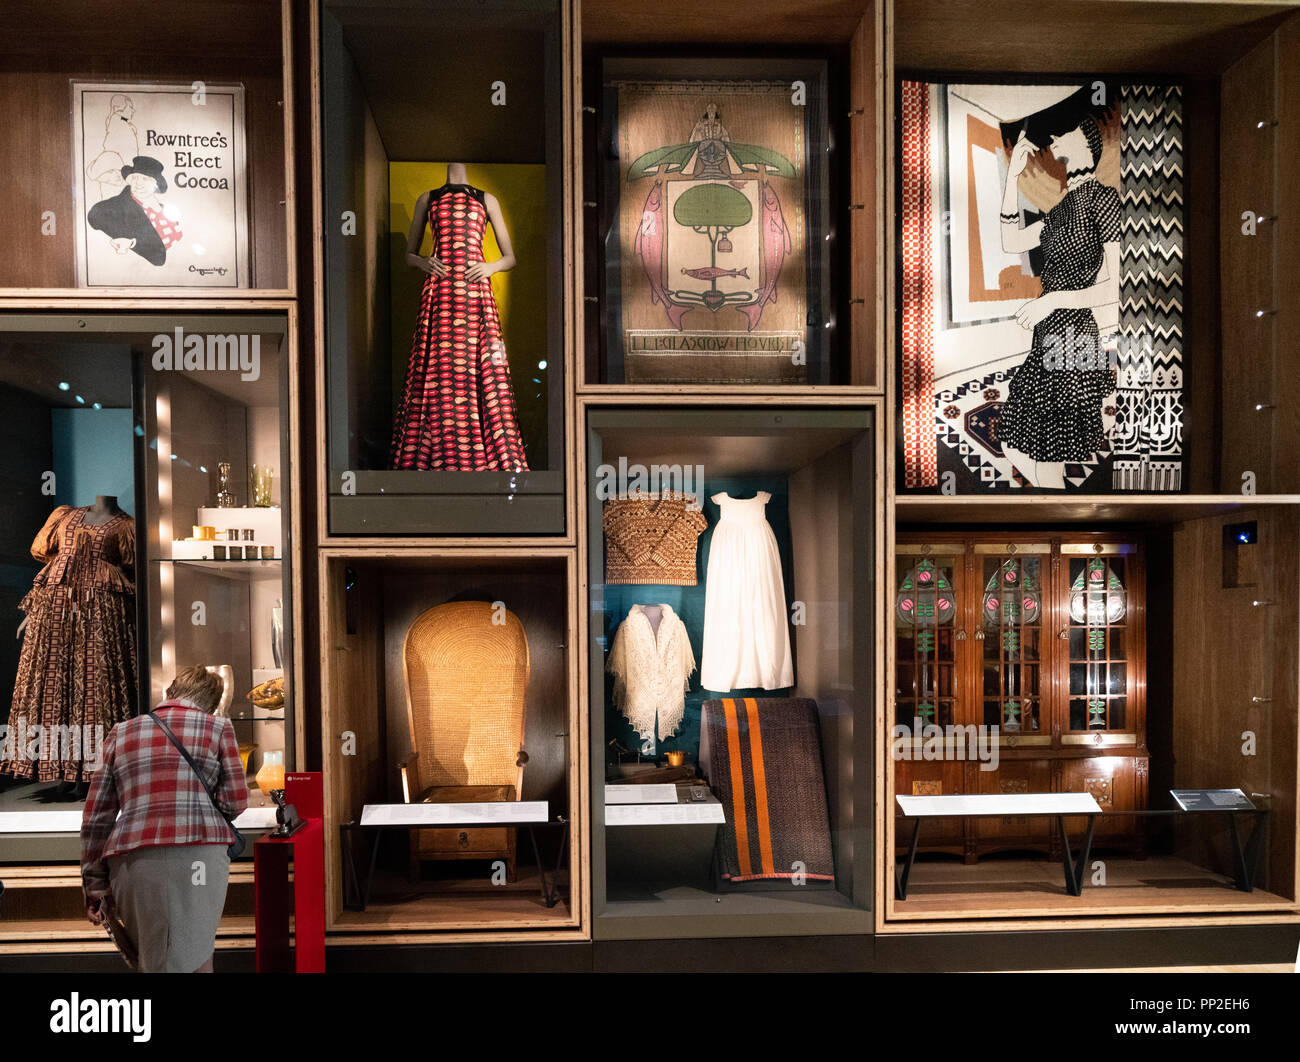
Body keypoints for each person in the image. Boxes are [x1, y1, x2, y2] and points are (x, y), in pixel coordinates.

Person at [81, 666, 248, 973]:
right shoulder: (218, 728)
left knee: (153, 958)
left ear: (170, 692)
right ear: (210, 703)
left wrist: (94, 882)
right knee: (198, 956)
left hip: (133, 859)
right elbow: (235, 801)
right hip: (200, 857)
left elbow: (97, 817)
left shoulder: (122, 731)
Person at [997, 114, 1121, 489]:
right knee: (1016, 439)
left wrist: (1050, 302)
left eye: (1067, 131)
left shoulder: (1104, 200)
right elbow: (1011, 242)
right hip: (1048, 331)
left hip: (1072, 334)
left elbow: (1115, 287)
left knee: (1046, 446)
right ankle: (1053, 497)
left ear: (1087, 143)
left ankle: (1054, 504)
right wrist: (1011, 178)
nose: (1056, 136)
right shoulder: (1060, 209)